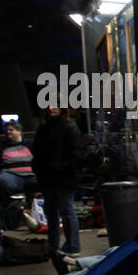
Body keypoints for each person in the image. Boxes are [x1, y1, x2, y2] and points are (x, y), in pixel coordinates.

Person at [31, 107, 84, 255]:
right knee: (53, 211)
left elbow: (76, 155)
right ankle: (56, 246)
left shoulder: (68, 128)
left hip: (63, 177)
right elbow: (37, 152)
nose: (50, 108)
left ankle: (71, 246)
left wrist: (58, 166)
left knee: (65, 211)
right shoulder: (45, 128)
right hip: (50, 176)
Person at [0, 121, 38, 210]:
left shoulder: (30, 144)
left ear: (19, 132)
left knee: (46, 179)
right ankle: (10, 209)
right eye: (6, 130)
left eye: (11, 130)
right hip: (12, 175)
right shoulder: (2, 146)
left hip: (31, 175)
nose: (8, 132)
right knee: (2, 180)